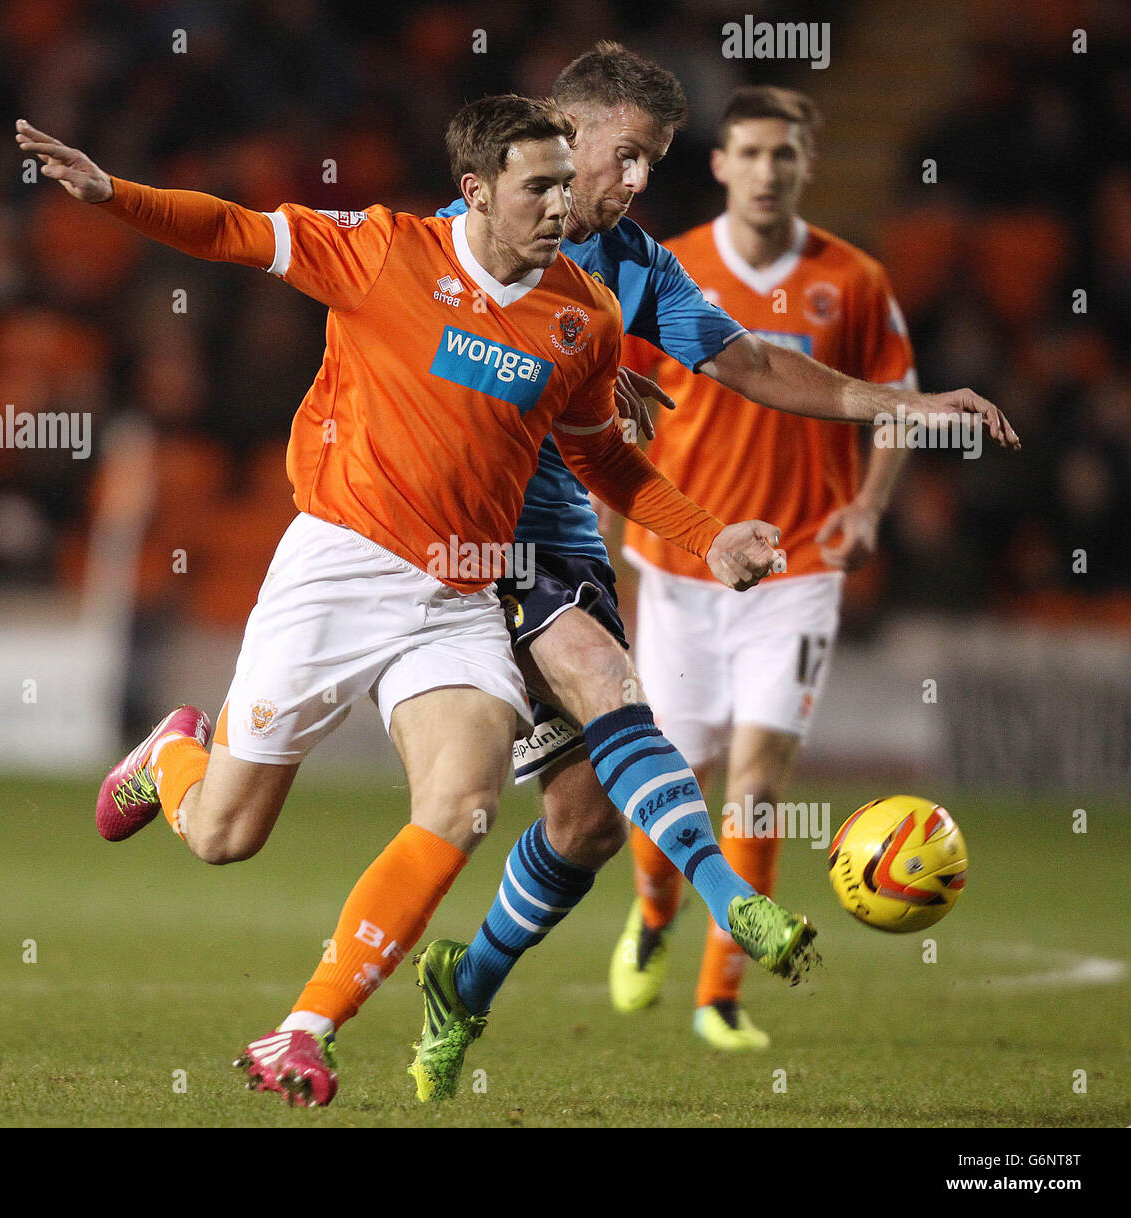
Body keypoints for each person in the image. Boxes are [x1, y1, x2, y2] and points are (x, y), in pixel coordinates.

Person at [14, 95, 787, 1108]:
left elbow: (606, 462)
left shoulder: (580, 320)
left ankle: (301, 1030)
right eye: (539, 187)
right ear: (476, 191)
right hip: (340, 567)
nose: (562, 205)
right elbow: (233, 230)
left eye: (565, 182)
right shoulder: (383, 252)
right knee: (222, 837)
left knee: (463, 805)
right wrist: (112, 193)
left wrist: (709, 532)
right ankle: (172, 756)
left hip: (465, 588)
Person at [412, 43, 1017, 1100]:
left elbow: (750, 363)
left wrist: (906, 407)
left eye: (653, 163)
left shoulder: (639, 264)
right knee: (258, 813)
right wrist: (580, 380)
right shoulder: (455, 238)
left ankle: (461, 990)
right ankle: (724, 894)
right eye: (627, 158)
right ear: (562, 131)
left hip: (554, 532)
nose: (639, 182)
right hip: (433, 525)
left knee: (587, 819)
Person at [607, 84, 918, 1050]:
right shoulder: (669, 269)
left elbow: (895, 401)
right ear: (720, 164)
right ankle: (654, 912)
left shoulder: (853, 281)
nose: (767, 170)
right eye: (749, 151)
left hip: (799, 567)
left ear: (804, 166)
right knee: (676, 774)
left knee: (758, 780)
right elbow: (605, 385)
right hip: (682, 564)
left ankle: (718, 995)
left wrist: (867, 505)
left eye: (784, 154)